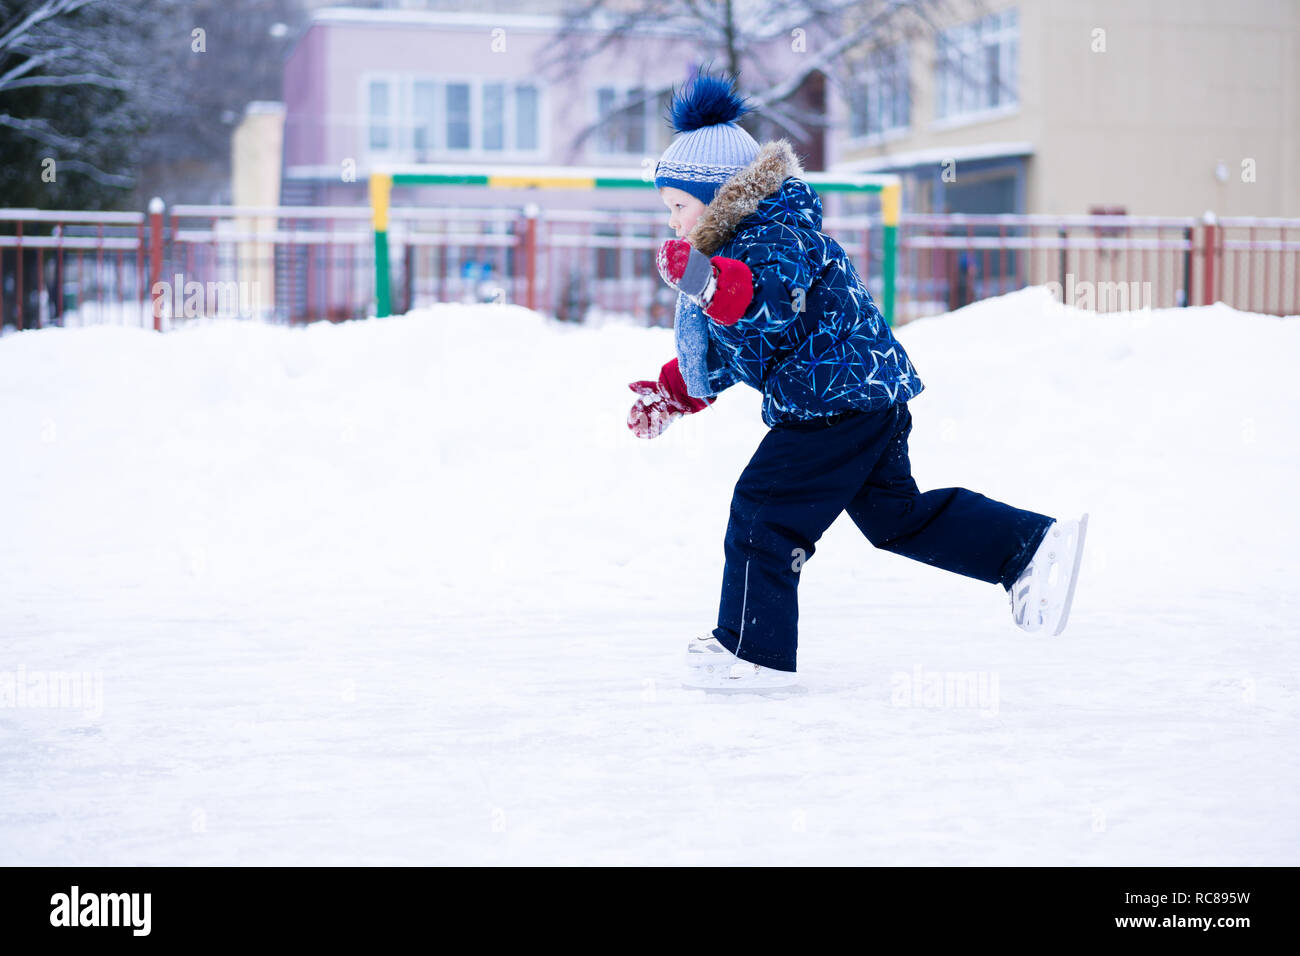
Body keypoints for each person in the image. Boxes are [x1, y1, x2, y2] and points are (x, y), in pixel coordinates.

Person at [627, 70, 1087, 691]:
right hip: (859, 401)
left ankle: (751, 653)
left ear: (720, 195)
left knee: (764, 512)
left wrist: (708, 281)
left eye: (679, 206)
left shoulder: (777, 232)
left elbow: (765, 302)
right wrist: (672, 392)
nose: (674, 222)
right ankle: (1025, 547)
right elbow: (739, 348)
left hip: (836, 403)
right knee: (896, 518)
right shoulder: (733, 247)